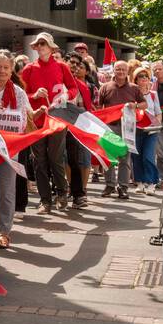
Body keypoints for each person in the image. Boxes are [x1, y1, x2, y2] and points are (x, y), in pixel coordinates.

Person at [0, 50, 40, 249]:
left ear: (11, 70)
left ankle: (4, 232)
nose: (2, 71)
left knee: (7, 191)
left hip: (9, 149)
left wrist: (37, 112)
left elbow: (26, 116)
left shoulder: (18, 92)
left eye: (6, 68)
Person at [20, 32, 76, 213]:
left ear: (51, 48)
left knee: (55, 157)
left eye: (43, 43)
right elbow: (21, 94)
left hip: (57, 118)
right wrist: (34, 95)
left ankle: (61, 192)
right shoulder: (29, 69)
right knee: (39, 160)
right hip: (37, 120)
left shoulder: (61, 66)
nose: (40, 46)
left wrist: (66, 95)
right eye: (38, 44)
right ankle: (45, 201)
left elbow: (73, 88)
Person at [97, 59, 145, 199]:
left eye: (123, 69)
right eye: (118, 69)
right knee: (109, 157)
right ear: (114, 70)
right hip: (109, 127)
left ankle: (123, 187)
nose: (121, 72)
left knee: (125, 158)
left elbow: (144, 104)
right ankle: (110, 185)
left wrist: (135, 106)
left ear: (127, 72)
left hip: (127, 128)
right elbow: (99, 108)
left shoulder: (134, 88)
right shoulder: (105, 87)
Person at [62, 53, 94, 208]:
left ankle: (79, 194)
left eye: (77, 64)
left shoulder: (82, 86)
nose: (74, 66)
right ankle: (63, 191)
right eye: (72, 62)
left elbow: (86, 109)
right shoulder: (58, 82)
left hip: (75, 127)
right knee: (60, 160)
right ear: (65, 63)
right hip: (56, 125)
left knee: (75, 159)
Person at [129, 67, 162, 194]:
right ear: (136, 80)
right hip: (136, 129)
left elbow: (158, 112)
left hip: (151, 130)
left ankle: (151, 182)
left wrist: (157, 124)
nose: (144, 78)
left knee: (148, 156)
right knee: (136, 157)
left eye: (146, 76)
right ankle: (140, 182)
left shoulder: (154, 94)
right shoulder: (132, 94)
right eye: (140, 76)